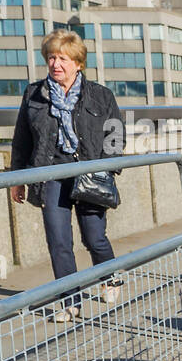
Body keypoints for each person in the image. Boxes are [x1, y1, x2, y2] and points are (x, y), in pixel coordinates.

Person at [9, 29, 124, 322]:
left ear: (78, 63)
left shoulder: (100, 95)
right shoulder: (34, 94)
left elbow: (115, 135)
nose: (55, 64)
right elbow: (22, 138)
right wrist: (17, 177)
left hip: (89, 174)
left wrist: (106, 169)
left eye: (62, 58)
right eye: (51, 57)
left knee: (94, 238)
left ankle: (110, 278)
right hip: (51, 174)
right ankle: (70, 302)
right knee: (59, 242)